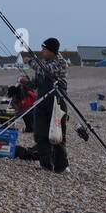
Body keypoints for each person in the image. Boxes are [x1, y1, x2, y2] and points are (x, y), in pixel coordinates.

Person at [27, 37, 69, 171]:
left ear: (52, 51)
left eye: (44, 49)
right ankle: (45, 164)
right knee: (40, 134)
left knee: (57, 135)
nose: (42, 51)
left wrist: (30, 61)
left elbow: (46, 70)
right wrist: (25, 83)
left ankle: (61, 166)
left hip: (57, 102)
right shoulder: (43, 62)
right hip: (41, 102)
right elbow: (37, 81)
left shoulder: (60, 63)